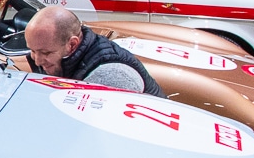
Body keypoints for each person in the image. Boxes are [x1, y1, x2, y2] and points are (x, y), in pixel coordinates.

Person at [23, 6, 162, 94]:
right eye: (33, 51)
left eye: (46, 53)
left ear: (72, 44)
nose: (38, 61)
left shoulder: (110, 77)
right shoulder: (82, 54)